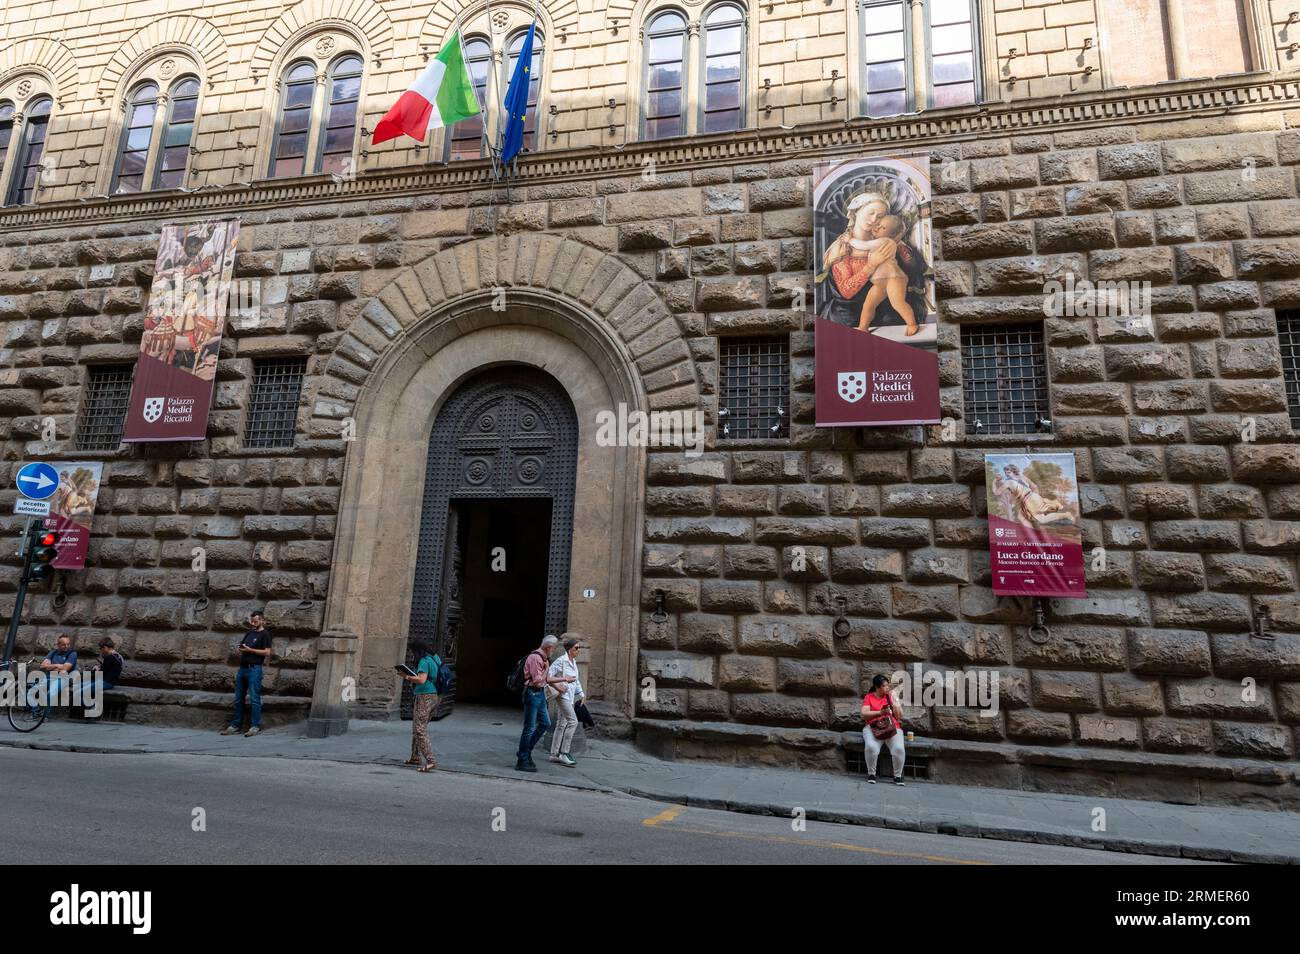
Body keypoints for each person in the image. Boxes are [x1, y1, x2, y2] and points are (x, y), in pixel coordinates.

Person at [854, 215, 919, 336]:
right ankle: (863, 327)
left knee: (897, 303)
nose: (877, 228)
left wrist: (850, 240)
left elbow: (863, 245)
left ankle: (912, 324)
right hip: (880, 282)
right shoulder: (879, 240)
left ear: (891, 234)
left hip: (894, 279)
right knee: (869, 303)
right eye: (878, 225)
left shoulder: (885, 241)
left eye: (882, 227)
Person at [515, 635, 568, 772]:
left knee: (545, 723)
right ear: (549, 647)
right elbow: (538, 680)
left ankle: (526, 750)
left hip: (539, 694)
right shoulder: (535, 658)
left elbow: (546, 680)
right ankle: (522, 759)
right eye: (554, 648)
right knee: (529, 728)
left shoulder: (543, 659)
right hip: (532, 694)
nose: (554, 650)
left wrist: (563, 679)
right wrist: (546, 668)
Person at [221, 611, 271, 737]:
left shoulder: (265, 634)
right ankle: (235, 725)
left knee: (254, 698)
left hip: (254, 669)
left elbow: (267, 652)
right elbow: (242, 647)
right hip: (242, 669)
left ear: (262, 620)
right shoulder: (249, 633)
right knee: (238, 699)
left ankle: (254, 726)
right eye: (252, 621)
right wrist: (242, 648)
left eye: (256, 621)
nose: (253, 623)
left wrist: (251, 650)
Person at [993, 464, 1074, 528]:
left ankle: (1066, 515)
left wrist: (994, 481)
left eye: (1008, 472)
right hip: (1031, 497)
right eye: (1006, 473)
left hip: (1029, 500)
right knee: (1021, 517)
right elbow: (1034, 486)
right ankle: (1032, 534)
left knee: (1041, 519)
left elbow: (996, 492)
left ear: (1014, 471)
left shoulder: (1008, 482)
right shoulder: (1022, 477)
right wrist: (1036, 497)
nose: (1007, 475)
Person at [401, 639, 440, 773]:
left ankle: (431, 761)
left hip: (424, 696)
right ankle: (415, 756)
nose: (412, 655)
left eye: (412, 652)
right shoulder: (434, 658)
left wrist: (406, 676)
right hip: (433, 695)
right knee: (416, 727)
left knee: (419, 729)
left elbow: (421, 680)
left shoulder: (423, 661)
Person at [861, 674, 907, 786]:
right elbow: (864, 714)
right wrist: (880, 713)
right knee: (872, 747)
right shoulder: (869, 697)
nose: (888, 688)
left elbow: (899, 716)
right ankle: (872, 774)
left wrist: (895, 701)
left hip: (892, 727)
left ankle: (897, 776)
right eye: (884, 686)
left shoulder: (891, 696)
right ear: (877, 687)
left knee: (898, 748)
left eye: (888, 685)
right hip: (874, 727)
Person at [547, 638, 583, 767]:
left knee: (561, 724)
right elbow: (548, 677)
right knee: (573, 721)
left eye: (579, 648)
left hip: (571, 696)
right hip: (562, 696)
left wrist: (581, 694)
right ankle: (564, 752)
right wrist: (558, 687)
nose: (578, 650)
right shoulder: (561, 661)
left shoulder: (573, 662)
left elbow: (576, 680)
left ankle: (553, 754)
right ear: (569, 649)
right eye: (576, 648)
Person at [38, 635, 77, 708]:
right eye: (63, 645)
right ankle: (35, 714)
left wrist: (51, 666)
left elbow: (65, 669)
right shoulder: (53, 653)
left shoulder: (72, 653)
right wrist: (58, 665)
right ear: (58, 645)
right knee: (34, 690)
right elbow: (42, 666)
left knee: (51, 693)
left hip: (64, 678)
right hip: (50, 676)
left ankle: (45, 715)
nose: (66, 646)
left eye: (68, 644)